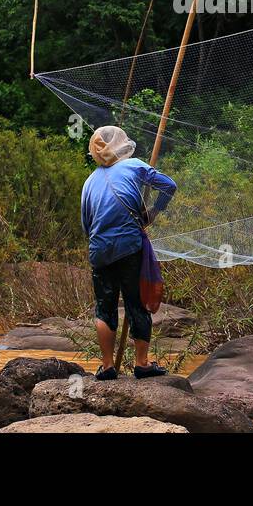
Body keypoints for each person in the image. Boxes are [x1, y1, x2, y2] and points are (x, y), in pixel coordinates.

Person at [81, 125, 177, 379]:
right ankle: (142, 364)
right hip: (129, 246)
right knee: (136, 303)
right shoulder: (133, 166)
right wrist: (153, 212)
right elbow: (169, 185)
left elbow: (87, 225)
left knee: (104, 307)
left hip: (99, 250)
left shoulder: (89, 182)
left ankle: (107, 366)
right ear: (120, 144)